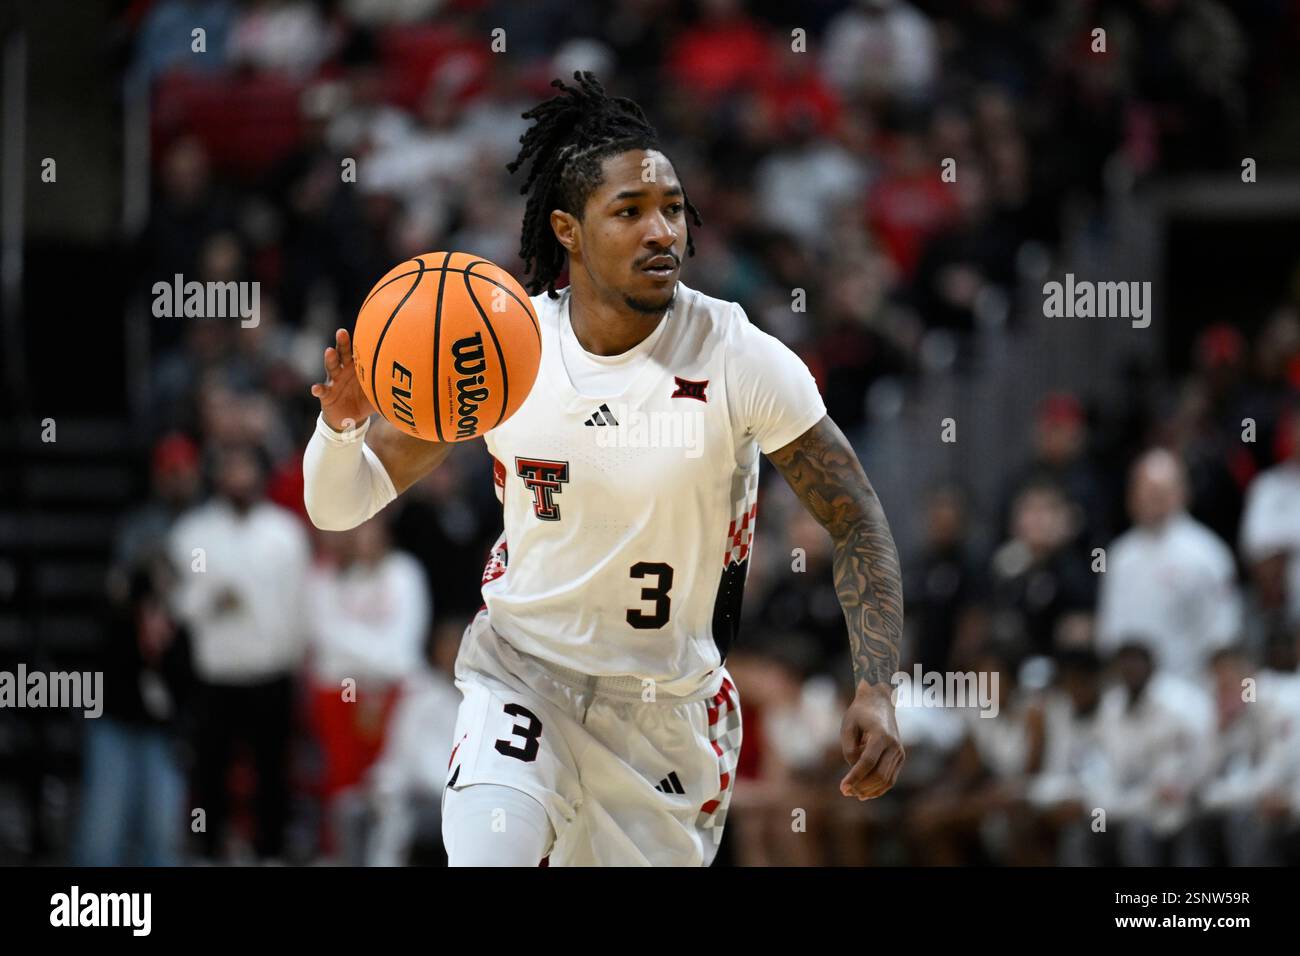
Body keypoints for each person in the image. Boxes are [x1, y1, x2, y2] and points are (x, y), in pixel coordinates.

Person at [303, 72, 905, 866]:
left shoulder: (741, 356)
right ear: (569, 229)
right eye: (630, 211)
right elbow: (338, 507)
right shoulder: (506, 352)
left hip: (665, 714)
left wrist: (876, 687)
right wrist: (340, 430)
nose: (663, 231)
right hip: (525, 679)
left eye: (672, 209)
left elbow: (856, 515)